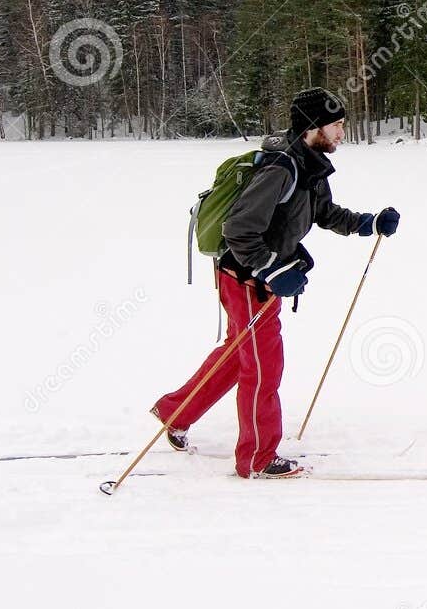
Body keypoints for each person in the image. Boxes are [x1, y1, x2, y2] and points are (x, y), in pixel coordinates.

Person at [150, 88, 400, 479]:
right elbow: (239, 229)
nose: (342, 133)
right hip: (247, 279)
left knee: (238, 355)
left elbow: (324, 212)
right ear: (312, 127)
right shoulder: (281, 168)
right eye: (336, 125)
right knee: (263, 367)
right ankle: (257, 458)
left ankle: (174, 412)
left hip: (259, 278)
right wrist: (271, 269)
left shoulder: (309, 163)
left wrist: (367, 223)